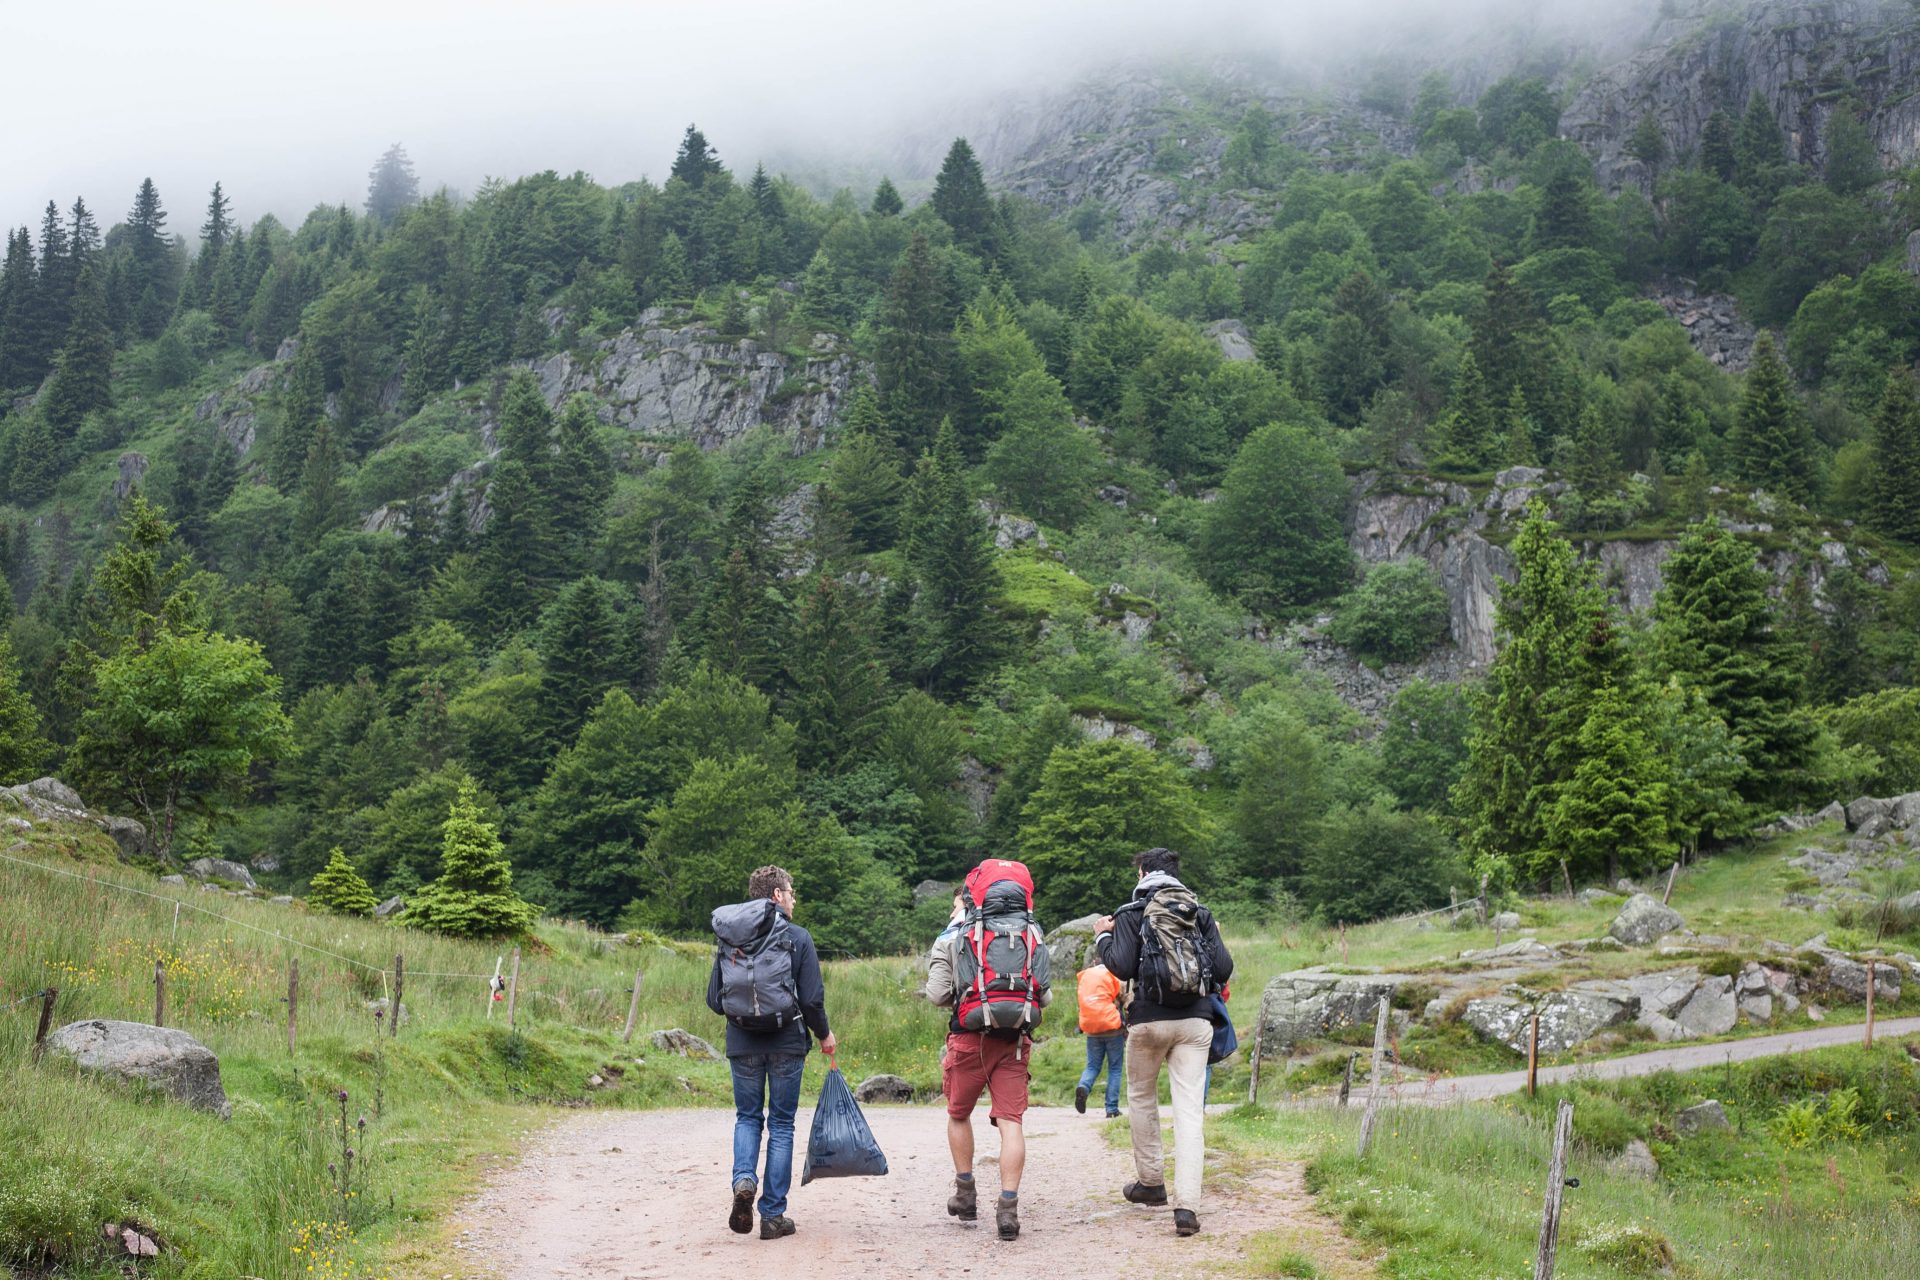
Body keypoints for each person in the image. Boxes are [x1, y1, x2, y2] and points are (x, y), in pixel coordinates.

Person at [1094, 847, 1233, 1238]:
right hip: (1196, 1021)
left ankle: (1152, 1183)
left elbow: (1120, 965)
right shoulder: (1198, 912)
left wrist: (1103, 936)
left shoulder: (1129, 912)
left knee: (1141, 1097)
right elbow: (1223, 969)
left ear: (1143, 872)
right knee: (1189, 1111)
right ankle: (1187, 1206)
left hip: (1149, 1021)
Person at [923, 858, 1050, 1241]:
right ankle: (1008, 1209)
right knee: (1012, 1123)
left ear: (968, 900)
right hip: (1013, 1042)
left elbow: (936, 995)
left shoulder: (952, 936)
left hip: (967, 1039)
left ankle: (966, 1195)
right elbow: (1044, 997)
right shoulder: (1033, 934)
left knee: (959, 1114)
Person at [706, 865, 835, 1241]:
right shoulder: (797, 937)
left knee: (748, 1118)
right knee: (781, 1124)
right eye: (791, 891)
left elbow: (715, 1000)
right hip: (787, 1044)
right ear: (776, 895)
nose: (794, 899)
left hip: (741, 1042)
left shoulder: (730, 939)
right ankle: (772, 1216)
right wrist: (824, 1034)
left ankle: (744, 1180)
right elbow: (811, 999)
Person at [1075, 960, 1125, 1118]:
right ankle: (1111, 1109)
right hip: (1112, 1028)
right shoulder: (1112, 974)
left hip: (1091, 1028)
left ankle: (1083, 1086)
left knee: (1092, 1066)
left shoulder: (1085, 977)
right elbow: (1123, 997)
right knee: (1115, 1069)